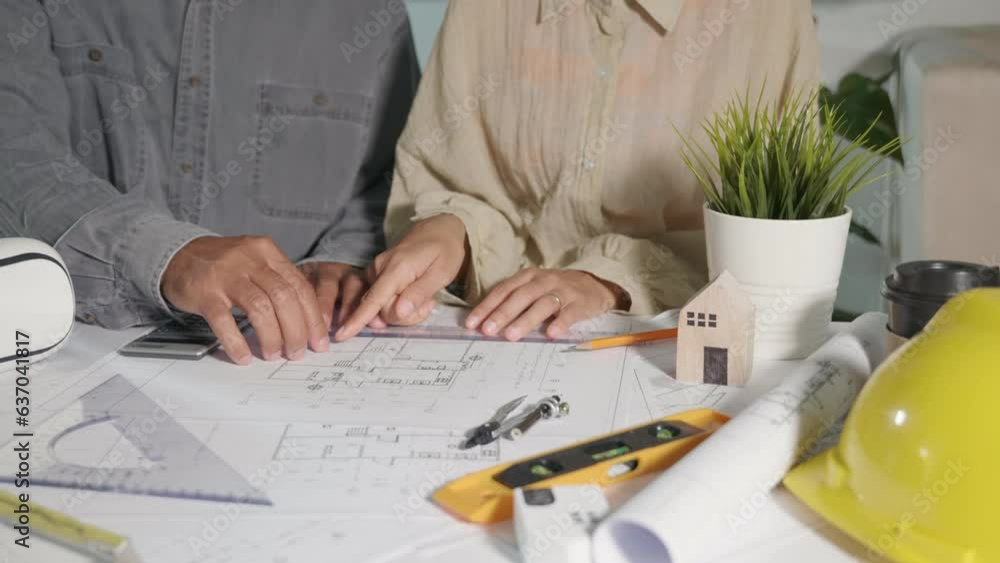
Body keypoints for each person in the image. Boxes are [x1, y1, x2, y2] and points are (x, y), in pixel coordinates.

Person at [335, 0, 819, 342]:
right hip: (488, 340)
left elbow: (771, 241)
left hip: (674, 354)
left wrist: (607, 281)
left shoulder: (768, 15)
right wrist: (448, 234)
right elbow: (447, 177)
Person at [0, 0, 419, 364]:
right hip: (56, 356)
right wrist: (170, 256)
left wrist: (344, 257)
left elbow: (396, 173)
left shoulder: (371, 14)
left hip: (286, 364)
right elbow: (15, 159)